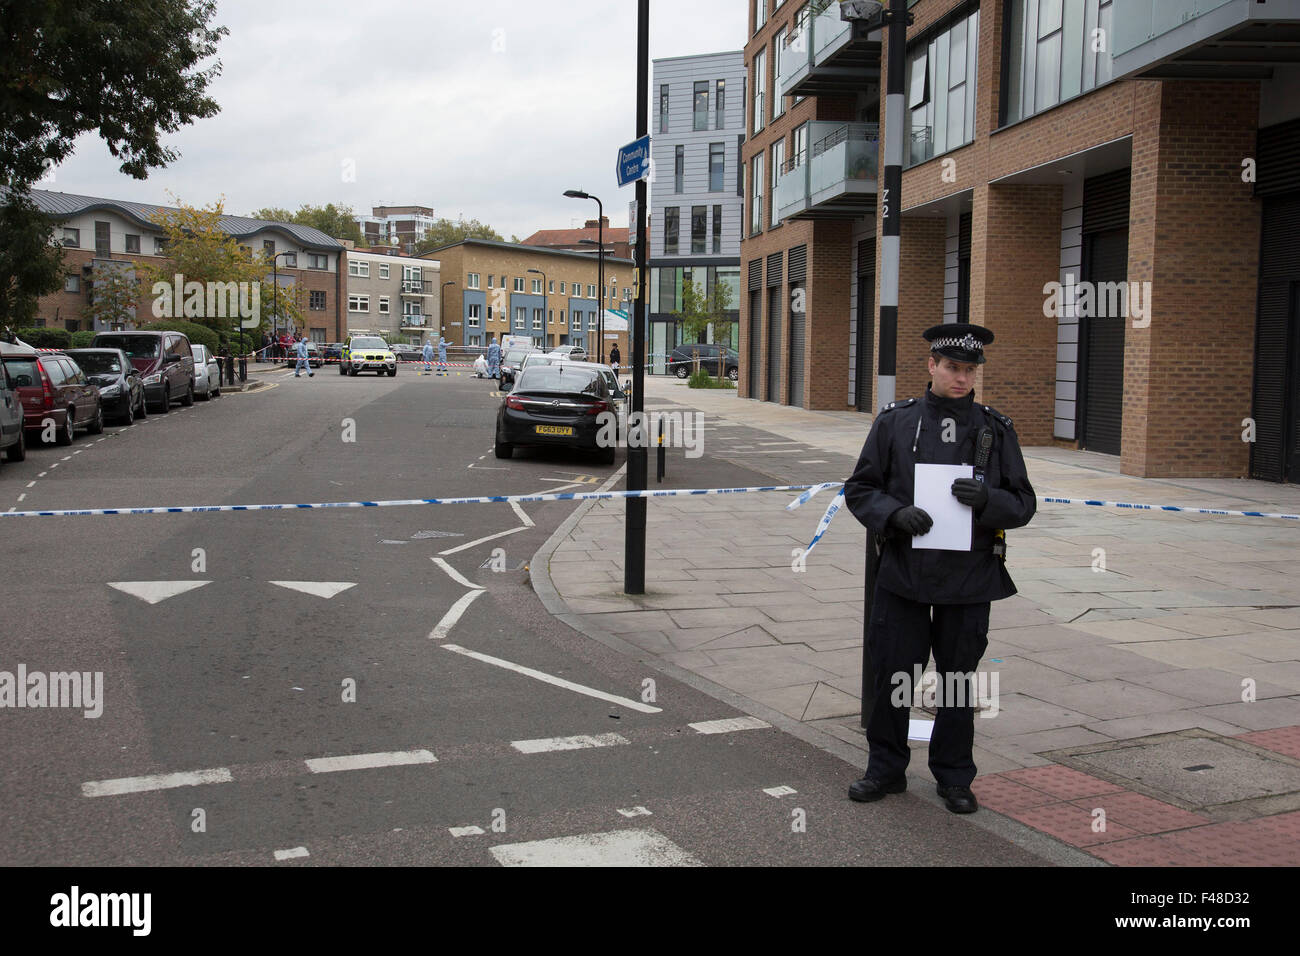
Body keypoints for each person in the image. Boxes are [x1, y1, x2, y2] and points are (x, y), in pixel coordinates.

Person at [843, 323, 1035, 814]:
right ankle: (885, 770)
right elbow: (861, 489)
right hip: (905, 573)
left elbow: (1024, 503)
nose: (962, 378)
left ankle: (953, 777)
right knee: (893, 676)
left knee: (956, 681)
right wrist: (894, 515)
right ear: (931, 366)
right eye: (952, 367)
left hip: (969, 578)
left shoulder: (995, 429)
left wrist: (989, 499)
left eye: (970, 370)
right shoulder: (895, 423)